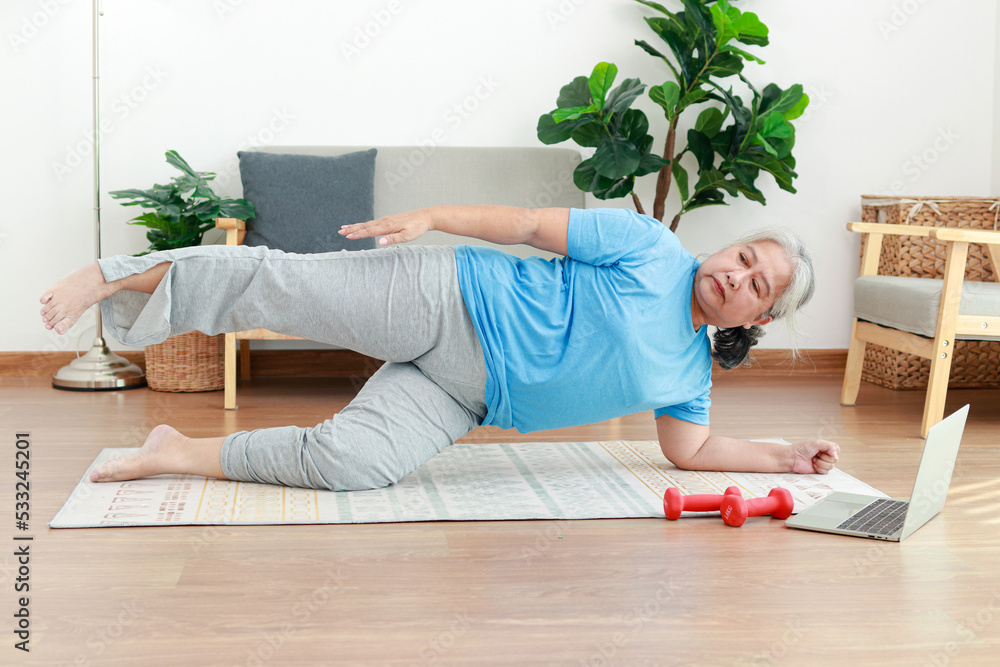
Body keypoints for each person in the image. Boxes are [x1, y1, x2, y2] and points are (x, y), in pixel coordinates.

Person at [39, 205, 840, 490]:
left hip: (465, 397)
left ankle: (176, 452)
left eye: (760, 285)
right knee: (282, 288)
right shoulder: (648, 246)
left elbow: (691, 451)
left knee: (349, 465)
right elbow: (529, 225)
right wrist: (431, 217)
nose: (739, 278)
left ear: (759, 318)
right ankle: (109, 275)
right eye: (745, 257)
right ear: (730, 249)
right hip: (448, 298)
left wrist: (786, 457)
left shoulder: (690, 372)